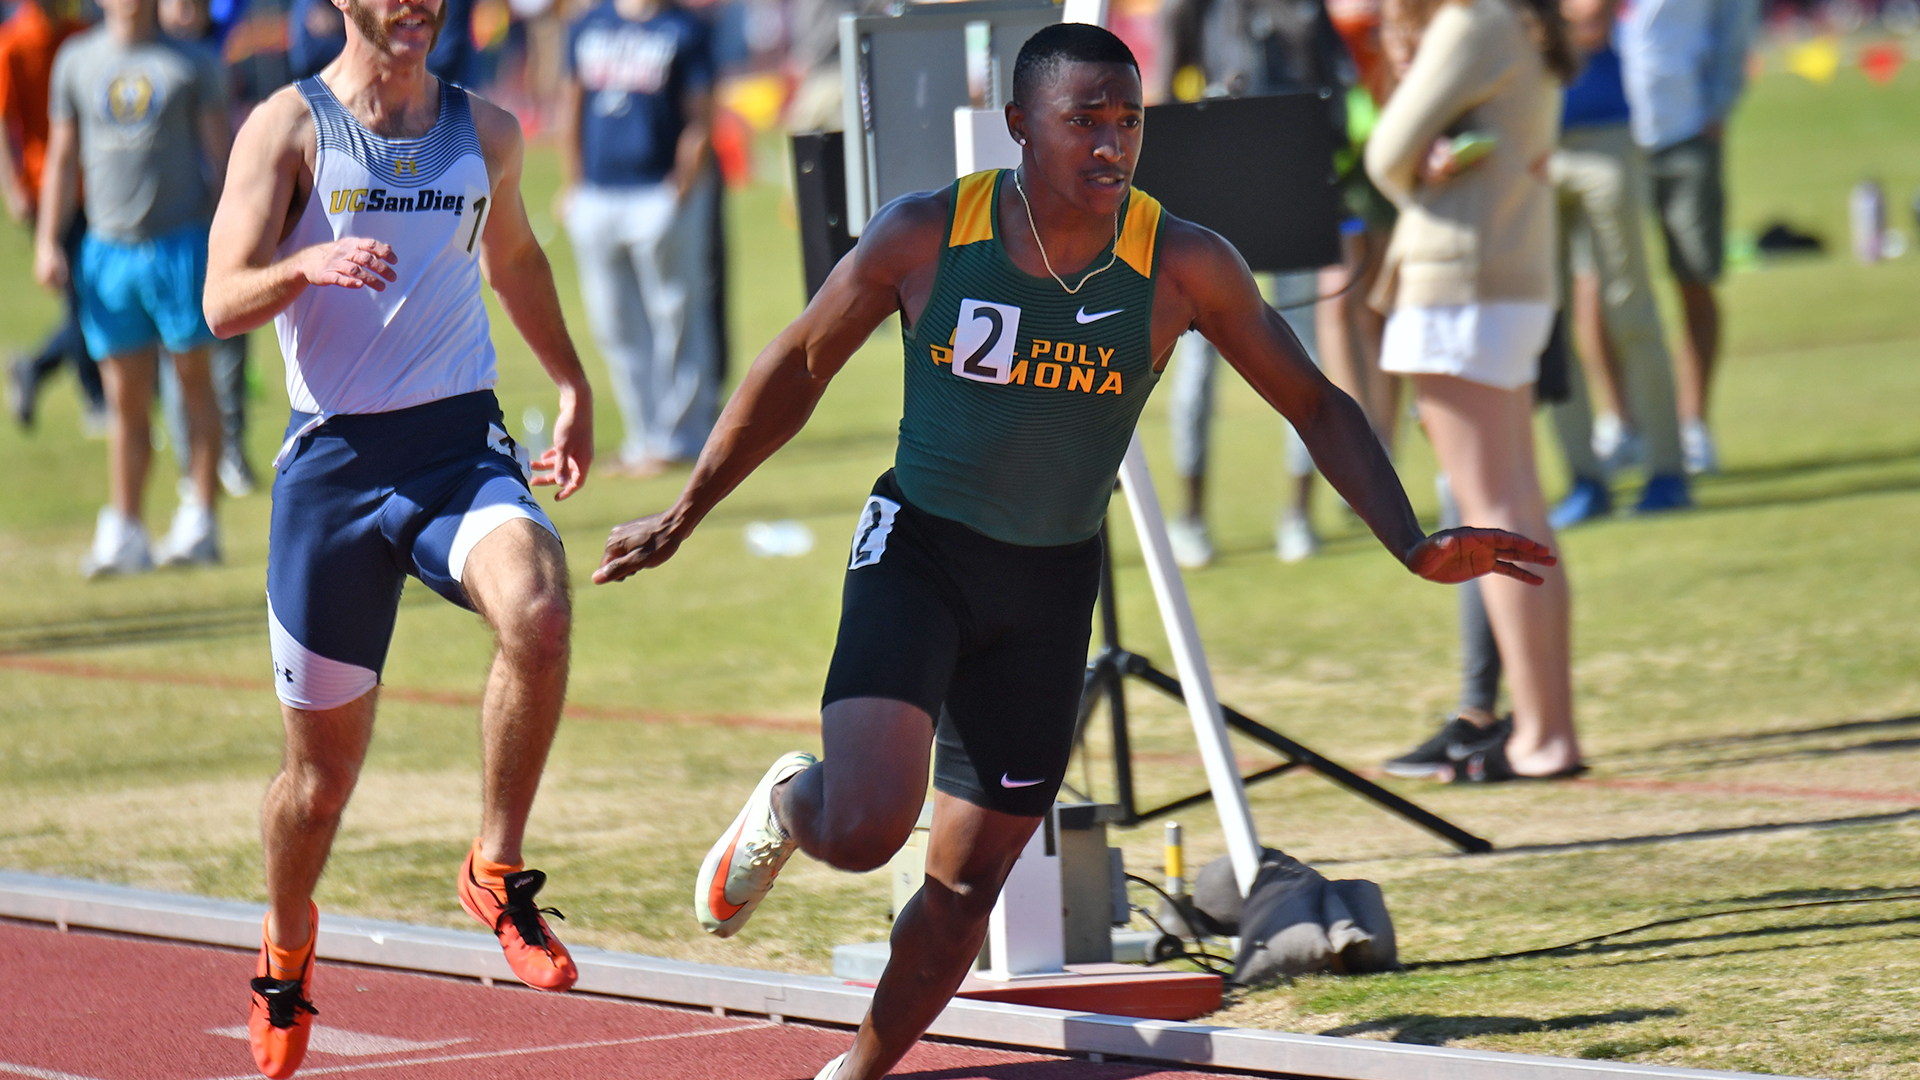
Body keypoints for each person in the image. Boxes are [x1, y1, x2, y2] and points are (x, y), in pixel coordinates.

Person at [595, 24, 1553, 1079]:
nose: (1111, 146)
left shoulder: (1181, 262)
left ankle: (856, 1072)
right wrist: (685, 510)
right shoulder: (927, 235)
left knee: (965, 889)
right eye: (1083, 122)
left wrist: (1409, 539)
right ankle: (792, 802)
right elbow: (797, 365)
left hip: (1048, 588)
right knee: (867, 829)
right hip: (918, 550)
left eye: (1127, 122)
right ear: (1019, 126)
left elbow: (1316, 403)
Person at [200, 0, 596, 1069]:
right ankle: (285, 951)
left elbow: (513, 259)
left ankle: (496, 869)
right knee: (317, 788)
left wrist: (567, 380)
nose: (417, 8)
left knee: (541, 609)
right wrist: (303, 269)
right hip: (331, 473)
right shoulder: (288, 127)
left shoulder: (488, 131)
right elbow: (220, 300)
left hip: (457, 448)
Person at [1366, 0, 1583, 781]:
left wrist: (1417, 158)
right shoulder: (1519, 19)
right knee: (1516, 506)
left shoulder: (1474, 21)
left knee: (1493, 513)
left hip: (1461, 282)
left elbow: (1384, 151)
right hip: (1510, 278)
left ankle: (1542, 737)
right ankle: (1546, 727)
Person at [37, 0, 230, 577]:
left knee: (194, 379)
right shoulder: (75, 59)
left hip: (181, 243)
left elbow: (222, 163)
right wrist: (49, 240)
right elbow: (62, 155)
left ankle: (200, 516)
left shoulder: (193, 63)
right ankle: (125, 527)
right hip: (107, 249)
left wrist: (230, 243)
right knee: (123, 396)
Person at [1159, 0, 1350, 567]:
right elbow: (1165, 103)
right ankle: (1190, 516)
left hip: (1292, 193)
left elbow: (1335, 89)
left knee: (1301, 354)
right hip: (1214, 199)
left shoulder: (1302, 7)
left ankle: (1299, 514)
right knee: (1196, 362)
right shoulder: (1193, 10)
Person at [558, 0, 720, 476]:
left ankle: (683, 439)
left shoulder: (683, 28)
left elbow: (700, 116)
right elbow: (572, 104)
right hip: (599, 193)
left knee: (676, 317)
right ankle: (642, 437)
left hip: (658, 191)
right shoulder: (589, 24)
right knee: (615, 325)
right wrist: (573, 186)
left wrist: (681, 190)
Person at [1544, 0, 1688, 527]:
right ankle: (1585, 478)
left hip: (1604, 136)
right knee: (1546, 327)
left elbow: (1589, 19)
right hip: (1532, 146)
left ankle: (1667, 470)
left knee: (1629, 308)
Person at [1617, 0, 1756, 476]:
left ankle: (1693, 425)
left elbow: (1736, 25)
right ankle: (1622, 427)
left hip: (1686, 129)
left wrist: (1718, 105)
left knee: (1694, 276)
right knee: (1601, 283)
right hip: (1608, 133)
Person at [158, 0, 258, 496]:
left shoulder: (216, 42)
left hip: (223, 216)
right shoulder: (148, 55)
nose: (186, 10)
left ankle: (231, 451)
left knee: (232, 342)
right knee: (180, 351)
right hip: (171, 226)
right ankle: (190, 460)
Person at [2, 0, 105, 433]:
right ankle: (96, 398)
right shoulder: (14, 43)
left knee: (92, 294)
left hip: (96, 185)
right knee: (83, 297)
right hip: (47, 191)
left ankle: (36, 368)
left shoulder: (80, 32)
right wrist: (12, 187)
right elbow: (4, 122)